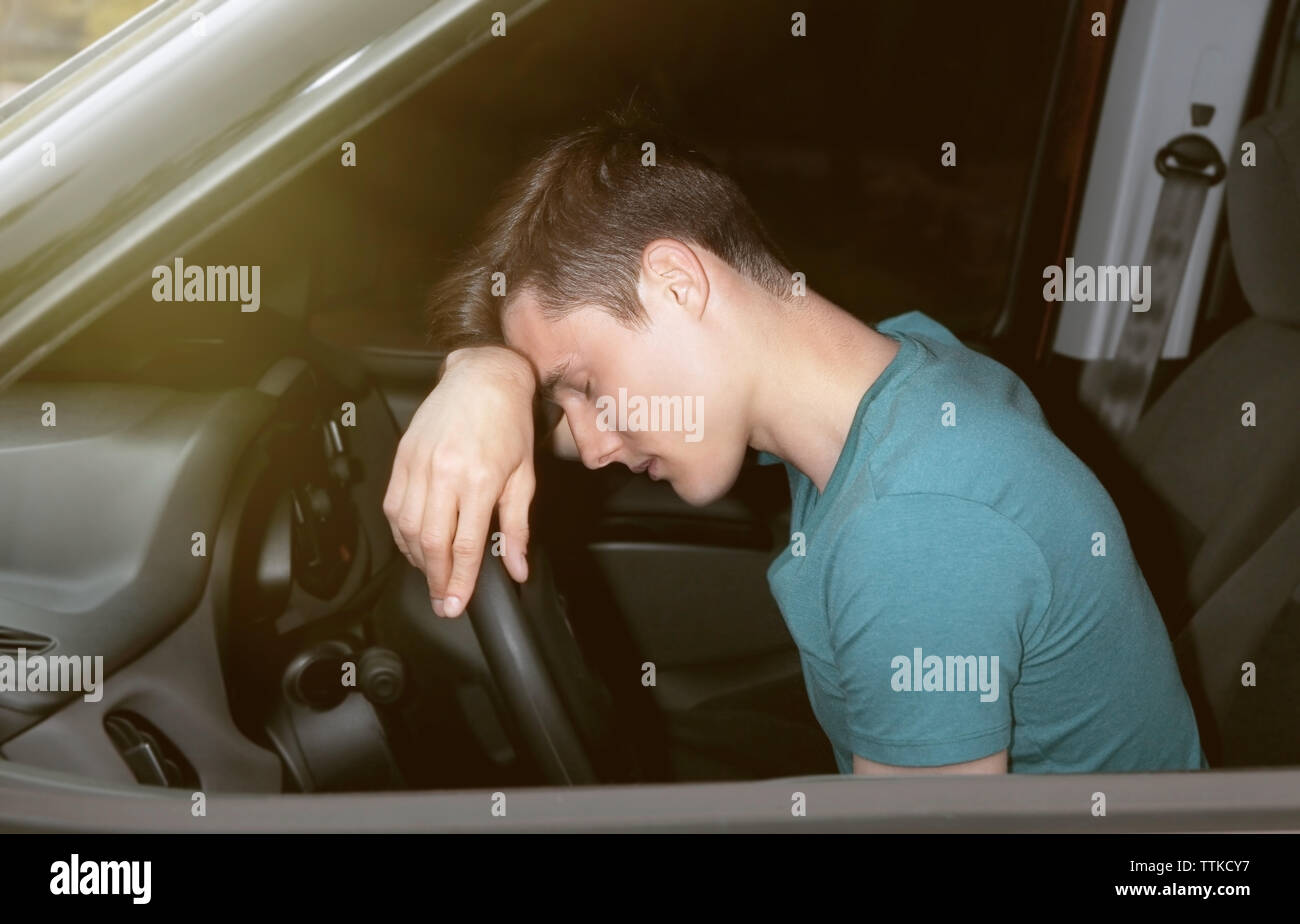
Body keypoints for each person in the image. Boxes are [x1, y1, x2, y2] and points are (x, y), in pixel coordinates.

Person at [383, 105, 1208, 776]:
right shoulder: (905, 369)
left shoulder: (916, 525)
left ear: (676, 283)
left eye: (588, 388)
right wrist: (485, 371)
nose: (592, 448)